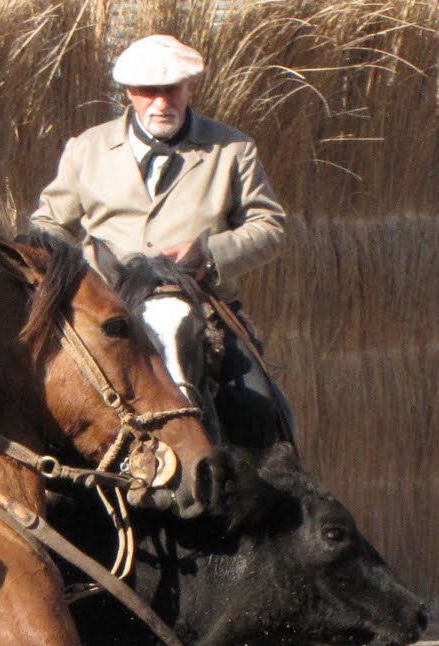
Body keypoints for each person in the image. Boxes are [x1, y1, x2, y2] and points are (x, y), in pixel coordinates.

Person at [28, 34, 293, 444]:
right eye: (148, 92)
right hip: (108, 314)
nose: (161, 103)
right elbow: (50, 224)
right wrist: (47, 268)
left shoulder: (232, 149)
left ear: (190, 88)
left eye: (171, 90)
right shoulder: (87, 149)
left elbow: (269, 226)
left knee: (259, 410)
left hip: (200, 311)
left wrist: (209, 254)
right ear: (128, 94)